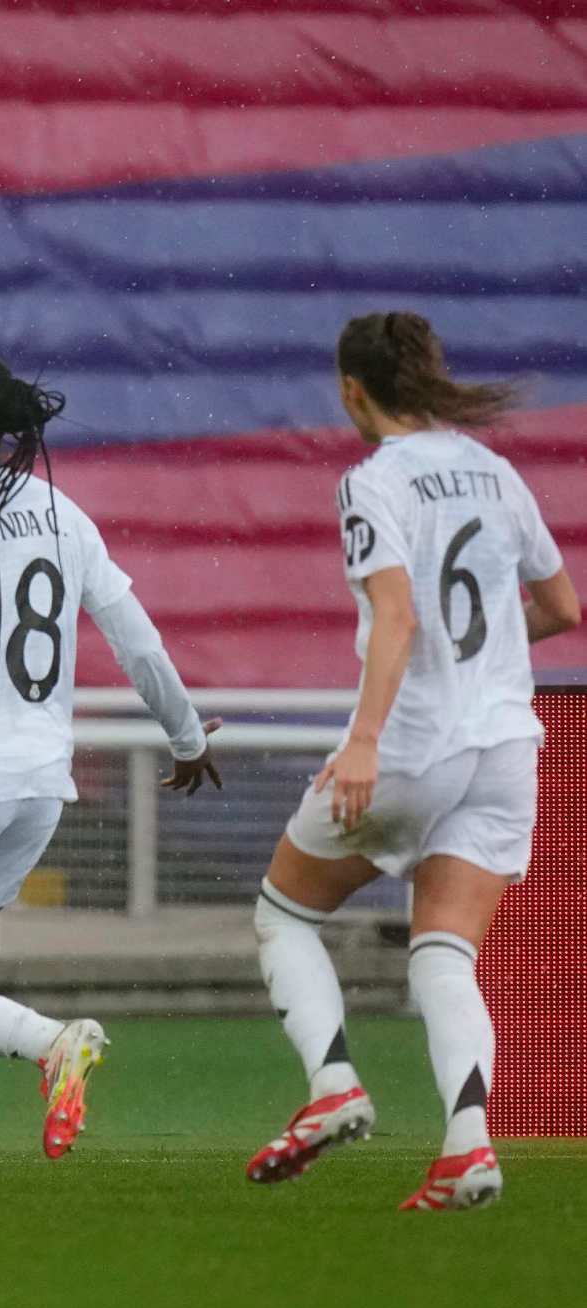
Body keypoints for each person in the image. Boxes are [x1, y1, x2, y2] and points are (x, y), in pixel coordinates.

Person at [246, 312, 578, 1211]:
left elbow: (396, 616)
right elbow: (562, 607)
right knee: (445, 954)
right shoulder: (497, 472)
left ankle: (333, 1087)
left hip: (415, 745)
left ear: (353, 390)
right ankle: (468, 1147)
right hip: (505, 749)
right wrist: (488, 656)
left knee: (283, 913)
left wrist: (362, 741)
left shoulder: (374, 482)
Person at [0, 348, 223, 1192]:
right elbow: (137, 640)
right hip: (38, 785)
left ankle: (52, 1043)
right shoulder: (63, 514)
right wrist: (186, 737)